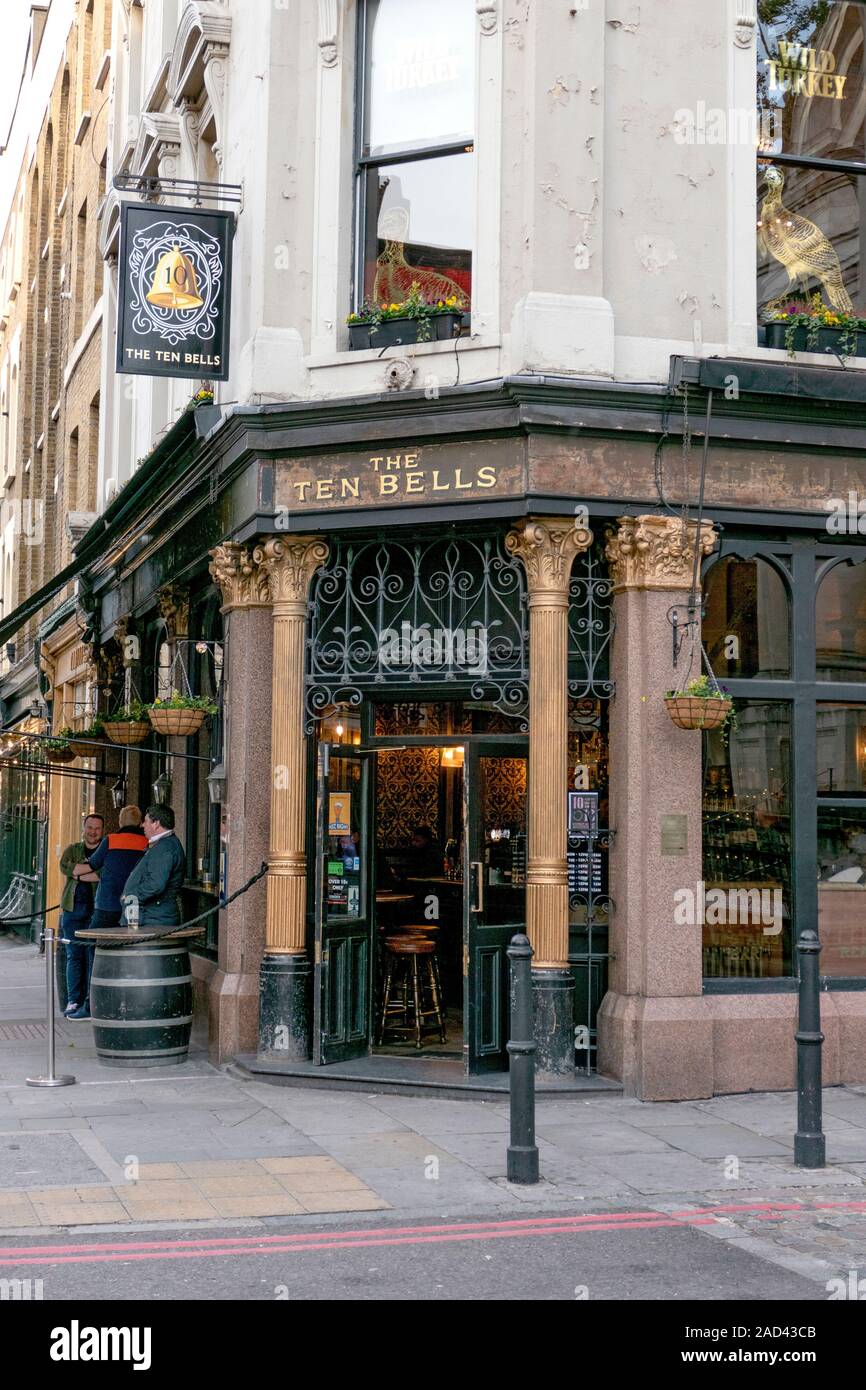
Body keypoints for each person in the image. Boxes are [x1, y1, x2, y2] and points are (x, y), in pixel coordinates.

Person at [59, 813, 104, 1021]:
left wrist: (77, 873)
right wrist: (88, 872)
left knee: (92, 957)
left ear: (102, 830)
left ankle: (89, 1001)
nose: (93, 832)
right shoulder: (72, 849)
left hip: (96, 910)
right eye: (90, 827)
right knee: (74, 955)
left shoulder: (106, 849)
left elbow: (103, 874)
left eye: (97, 828)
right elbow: (65, 867)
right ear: (83, 828)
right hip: (72, 909)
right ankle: (73, 1000)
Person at [120, 804, 187, 928]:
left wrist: (131, 896)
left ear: (156, 823)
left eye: (146, 821)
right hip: (154, 916)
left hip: (153, 919)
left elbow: (156, 884)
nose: (142, 825)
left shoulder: (164, 847)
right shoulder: (165, 845)